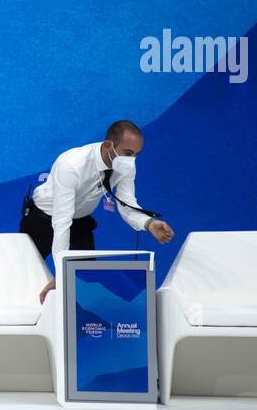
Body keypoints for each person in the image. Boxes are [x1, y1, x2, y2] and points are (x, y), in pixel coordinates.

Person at [21, 121, 175, 303]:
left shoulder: (126, 166)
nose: (132, 160)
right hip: (42, 219)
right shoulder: (71, 165)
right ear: (108, 145)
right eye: (128, 153)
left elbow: (127, 204)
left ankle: (78, 324)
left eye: (136, 155)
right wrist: (61, 274)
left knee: (83, 280)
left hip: (80, 221)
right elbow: (61, 222)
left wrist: (148, 223)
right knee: (26, 276)